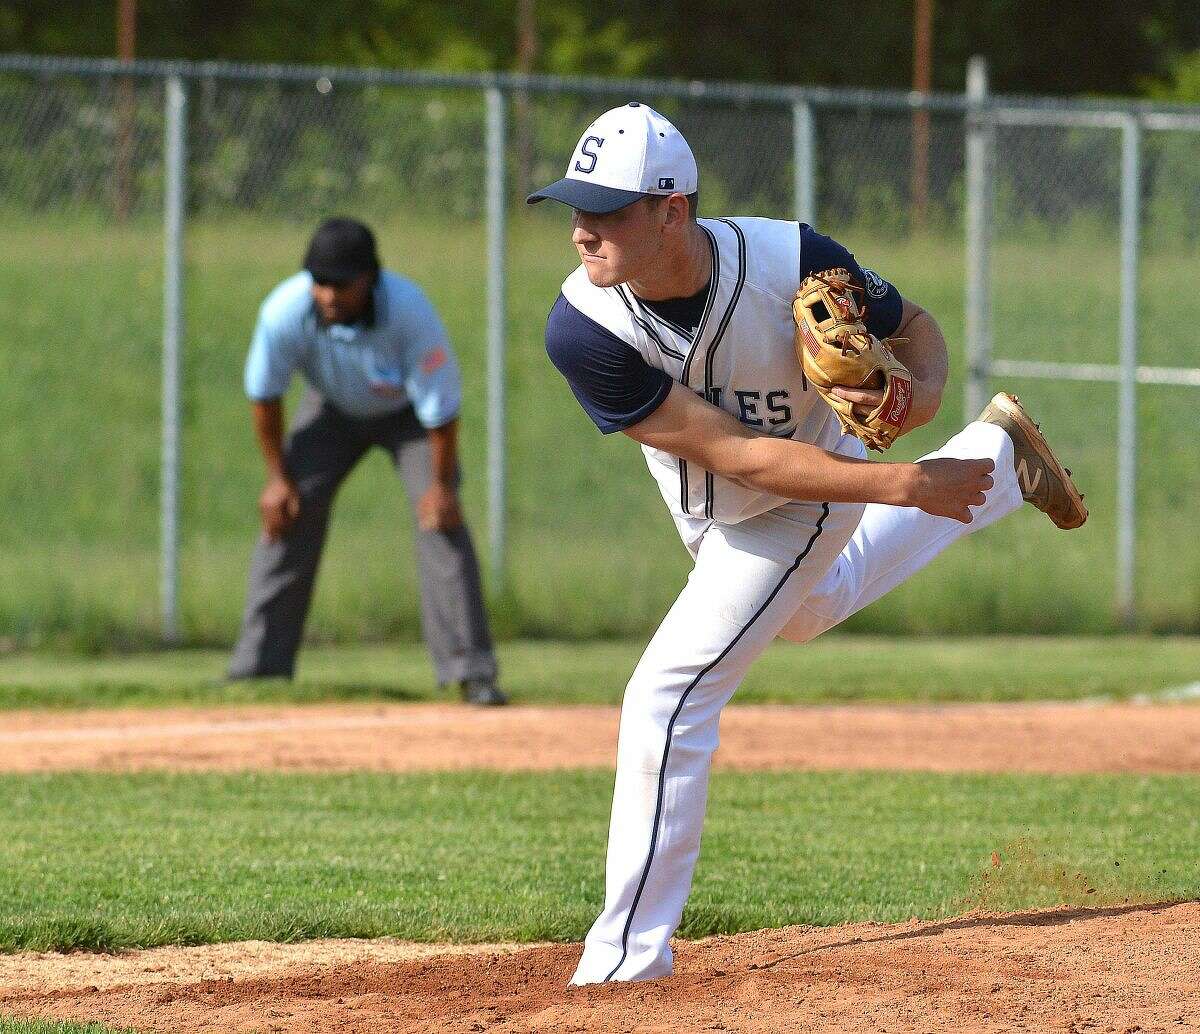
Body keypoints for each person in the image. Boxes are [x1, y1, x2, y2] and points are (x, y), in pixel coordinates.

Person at [527, 103, 1086, 984]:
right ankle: (996, 456)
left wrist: (924, 399)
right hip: (717, 497)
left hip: (813, 494)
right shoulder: (586, 327)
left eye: (606, 211)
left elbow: (917, 329)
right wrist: (911, 484)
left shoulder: (789, 261)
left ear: (673, 209)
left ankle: (624, 962)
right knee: (805, 610)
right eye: (574, 208)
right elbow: (732, 453)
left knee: (667, 696)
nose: (580, 232)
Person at [227, 217, 505, 707]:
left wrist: (440, 487)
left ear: (370, 278)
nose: (328, 294)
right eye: (319, 281)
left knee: (439, 521)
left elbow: (441, 410)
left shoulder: (409, 312)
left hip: (411, 417)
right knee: (287, 512)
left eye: (341, 283)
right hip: (331, 406)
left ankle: (471, 672)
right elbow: (264, 396)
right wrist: (277, 479)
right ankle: (258, 671)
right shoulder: (285, 312)